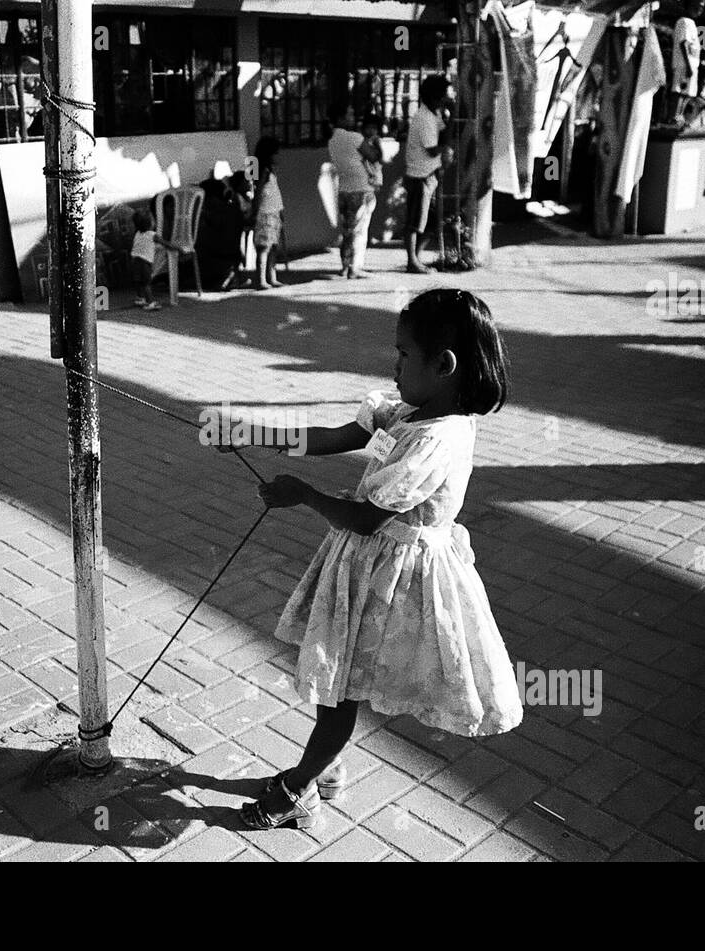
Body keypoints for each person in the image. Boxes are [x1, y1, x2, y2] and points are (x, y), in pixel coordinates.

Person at [220, 288, 523, 830]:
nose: (395, 364)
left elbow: (365, 519)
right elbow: (334, 437)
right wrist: (251, 433)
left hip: (392, 583)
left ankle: (295, 792)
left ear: (444, 364)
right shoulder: (410, 411)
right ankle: (323, 768)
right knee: (339, 686)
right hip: (367, 566)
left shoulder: (437, 438)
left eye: (405, 354)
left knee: (339, 692)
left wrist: (305, 495)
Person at [327, 101, 382, 279]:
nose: (353, 117)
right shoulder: (355, 138)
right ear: (341, 118)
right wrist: (376, 141)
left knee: (347, 231)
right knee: (360, 230)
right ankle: (355, 267)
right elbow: (374, 156)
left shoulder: (332, 140)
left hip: (343, 190)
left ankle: (345, 265)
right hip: (361, 190)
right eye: (350, 114)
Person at [404, 75, 452, 273]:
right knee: (416, 221)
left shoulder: (433, 115)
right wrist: (447, 149)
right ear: (435, 96)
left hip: (429, 175)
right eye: (444, 95)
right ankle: (412, 261)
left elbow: (443, 130)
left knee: (430, 222)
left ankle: (416, 257)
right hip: (420, 176)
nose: (446, 98)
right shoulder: (424, 118)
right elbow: (433, 149)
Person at [251, 136, 284, 291]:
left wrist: (281, 211)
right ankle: (261, 279)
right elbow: (257, 194)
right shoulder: (262, 170)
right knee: (264, 247)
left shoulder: (271, 171)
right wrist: (254, 211)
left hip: (274, 211)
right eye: (276, 153)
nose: (278, 156)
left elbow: (274, 193)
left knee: (273, 246)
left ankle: (272, 277)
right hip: (265, 213)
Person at [128, 208, 174, 311]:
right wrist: (177, 247)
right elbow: (166, 244)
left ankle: (140, 298)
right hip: (144, 262)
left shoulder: (137, 233)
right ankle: (150, 302)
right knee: (146, 283)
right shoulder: (153, 235)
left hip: (135, 260)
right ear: (150, 223)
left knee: (138, 281)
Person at [671, 0, 705, 120]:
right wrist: (688, 66)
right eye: (697, 7)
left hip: (691, 64)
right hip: (684, 64)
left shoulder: (692, 23)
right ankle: (675, 116)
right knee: (679, 91)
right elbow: (683, 43)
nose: (699, 10)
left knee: (687, 93)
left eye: (701, 8)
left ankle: (679, 116)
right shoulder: (684, 21)